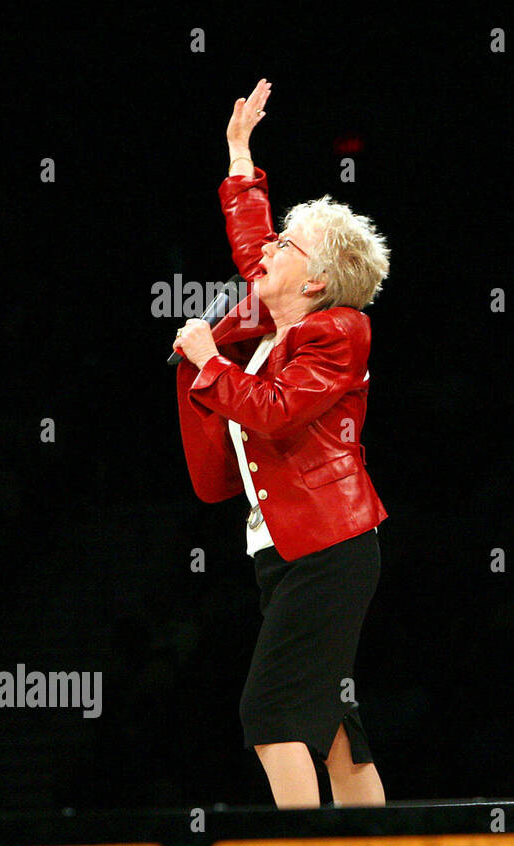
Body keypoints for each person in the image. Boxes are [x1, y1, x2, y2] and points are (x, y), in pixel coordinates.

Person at [173, 79, 392, 809]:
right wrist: (240, 156)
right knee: (333, 728)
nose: (267, 254)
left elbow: (272, 413)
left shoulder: (337, 332)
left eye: (287, 247)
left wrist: (211, 362)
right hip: (286, 551)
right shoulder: (280, 325)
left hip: (330, 548)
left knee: (270, 715)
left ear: (320, 278)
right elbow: (251, 242)